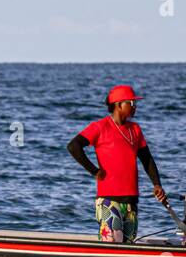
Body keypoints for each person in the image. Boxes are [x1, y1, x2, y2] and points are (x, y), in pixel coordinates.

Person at [66, 85, 168, 243]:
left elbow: (146, 158)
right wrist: (94, 170)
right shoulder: (100, 127)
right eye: (132, 103)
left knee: (128, 246)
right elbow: (73, 146)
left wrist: (157, 184)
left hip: (131, 201)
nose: (135, 107)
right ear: (119, 104)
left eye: (135, 103)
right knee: (111, 244)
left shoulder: (135, 129)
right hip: (109, 199)